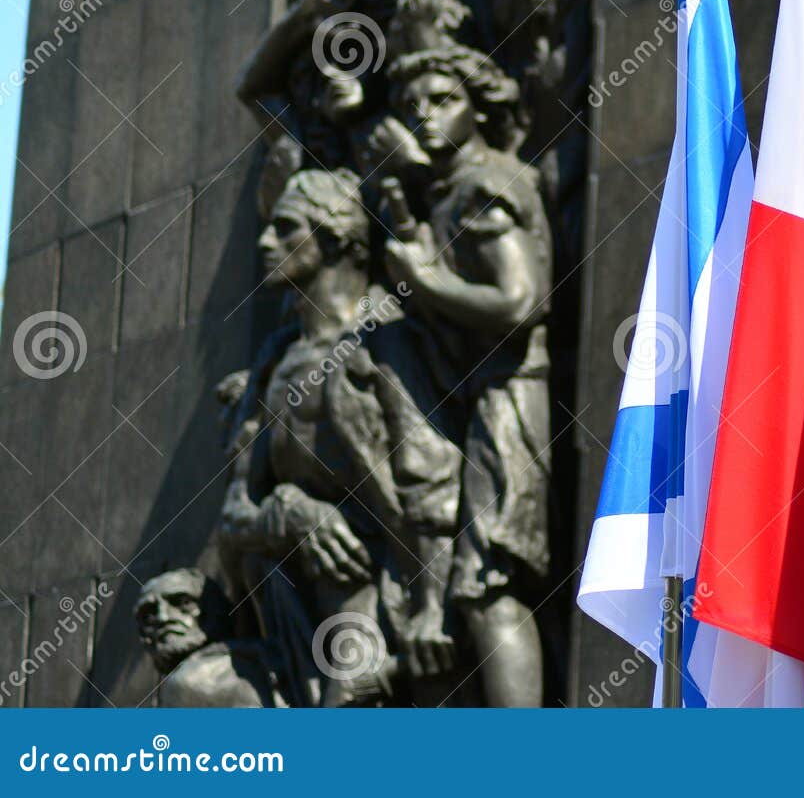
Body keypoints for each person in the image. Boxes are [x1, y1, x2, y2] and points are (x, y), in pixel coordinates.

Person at [218, 169, 462, 706]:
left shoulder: (386, 341)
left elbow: (432, 488)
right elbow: (233, 517)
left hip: (380, 605)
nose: (264, 242)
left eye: (284, 228)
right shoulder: (272, 364)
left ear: (333, 238)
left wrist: (433, 608)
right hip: (289, 614)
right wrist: (291, 512)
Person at [383, 43, 553, 707]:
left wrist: (424, 282)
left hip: (511, 400)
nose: (425, 115)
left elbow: (521, 301)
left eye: (443, 99)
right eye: (413, 105)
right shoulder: (444, 194)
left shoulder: (490, 182)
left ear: (478, 107)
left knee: (488, 585)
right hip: (480, 399)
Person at [136, 569, 282, 707]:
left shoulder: (188, 680)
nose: (163, 617)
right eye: (149, 615)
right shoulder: (259, 653)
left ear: (211, 604)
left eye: (184, 603)